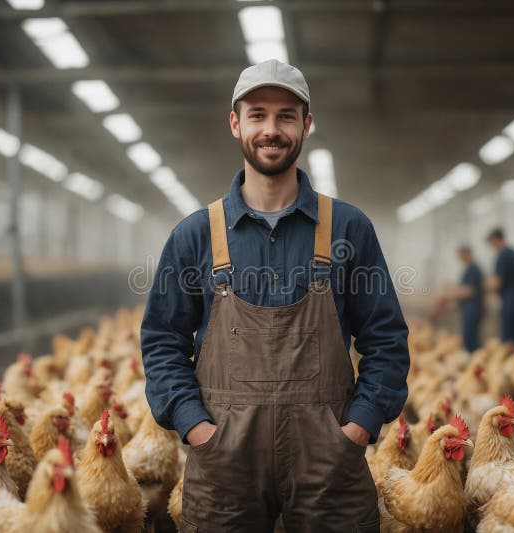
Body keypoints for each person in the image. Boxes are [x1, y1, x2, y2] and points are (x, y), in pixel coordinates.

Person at [140, 59, 409, 532]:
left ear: (306, 124)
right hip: (224, 464)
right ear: (235, 123)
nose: (271, 129)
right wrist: (197, 429)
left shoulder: (348, 228)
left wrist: (357, 428)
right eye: (257, 114)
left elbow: (386, 340)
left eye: (286, 115)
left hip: (329, 463)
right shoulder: (195, 236)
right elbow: (163, 341)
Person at [432, 246, 484, 352]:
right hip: (469, 308)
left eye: (460, 255)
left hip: (472, 308)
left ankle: (476, 357)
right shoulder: (470, 269)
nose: (459, 258)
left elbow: (469, 291)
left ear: (466, 254)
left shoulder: (473, 269)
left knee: (470, 340)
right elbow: (465, 288)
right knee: (469, 338)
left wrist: (449, 295)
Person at [485, 227, 514, 346]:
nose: (492, 247)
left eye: (491, 243)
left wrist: (483, 288)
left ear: (495, 239)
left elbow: (497, 283)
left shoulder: (502, 256)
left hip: (509, 301)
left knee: (508, 342)